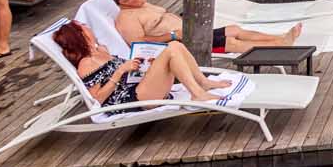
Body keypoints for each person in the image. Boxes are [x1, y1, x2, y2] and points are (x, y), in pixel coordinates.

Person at [53, 20, 236, 108]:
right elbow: (97, 100)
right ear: (80, 35)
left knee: (174, 46)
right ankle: (198, 94)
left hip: (140, 86)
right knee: (171, 48)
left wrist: (148, 64)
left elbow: (128, 71)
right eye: (84, 26)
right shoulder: (86, 63)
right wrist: (120, 72)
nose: (88, 26)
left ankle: (202, 83)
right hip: (133, 98)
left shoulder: (101, 50)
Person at [111, 0, 303, 55]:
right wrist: (171, 35)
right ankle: (279, 47)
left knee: (234, 29)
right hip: (182, 45)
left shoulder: (142, 5)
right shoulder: (126, 20)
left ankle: (279, 39)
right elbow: (139, 45)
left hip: (191, 34)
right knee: (231, 42)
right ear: (124, 1)